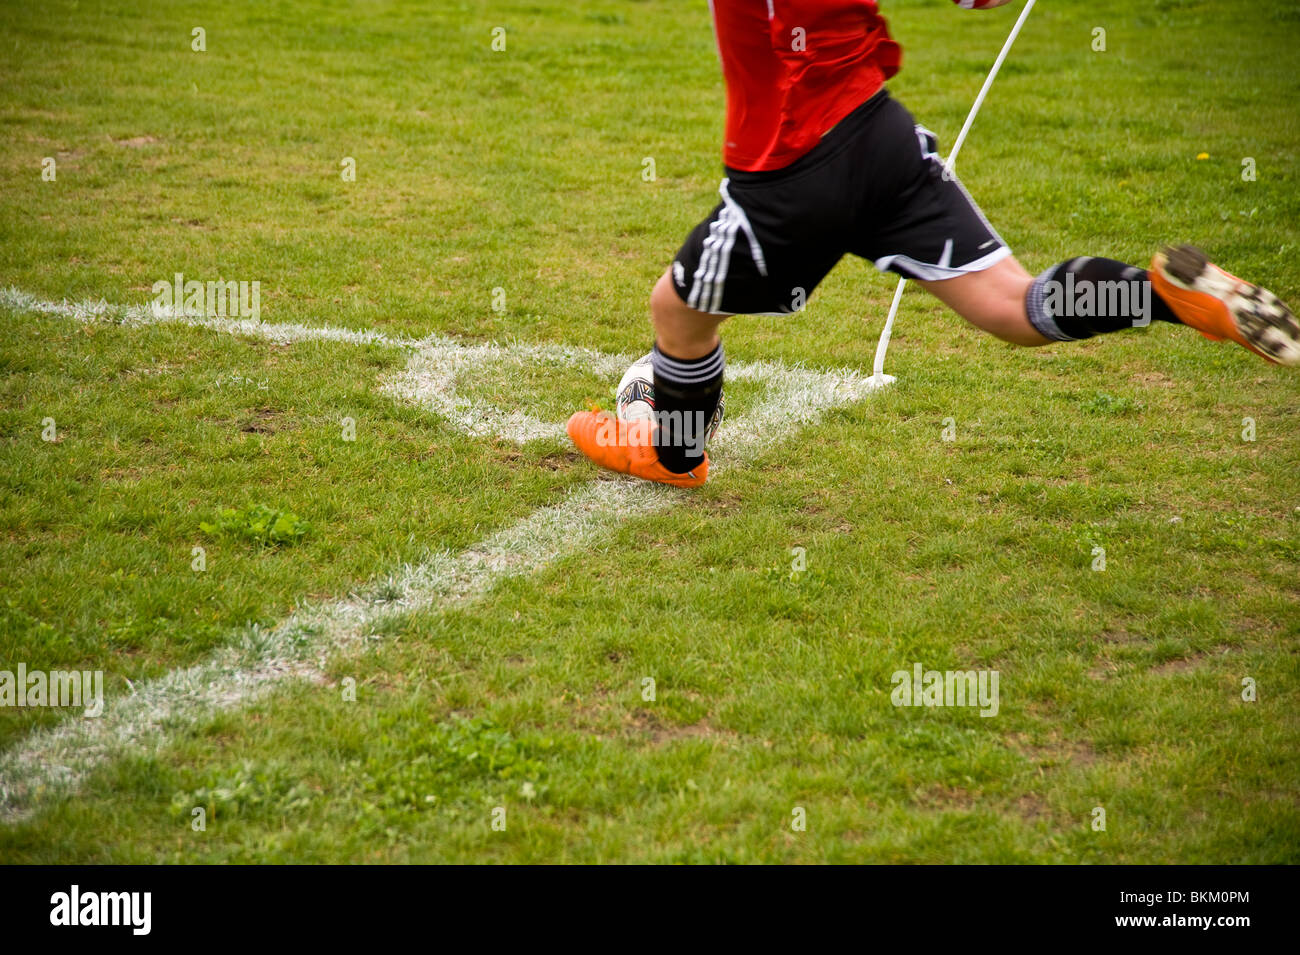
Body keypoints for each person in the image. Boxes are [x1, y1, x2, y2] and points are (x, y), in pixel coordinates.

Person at [566, 0, 1299, 488]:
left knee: (676, 311)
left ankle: (675, 455)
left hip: (791, 163)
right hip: (880, 136)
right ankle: (1161, 296)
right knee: (1012, 306)